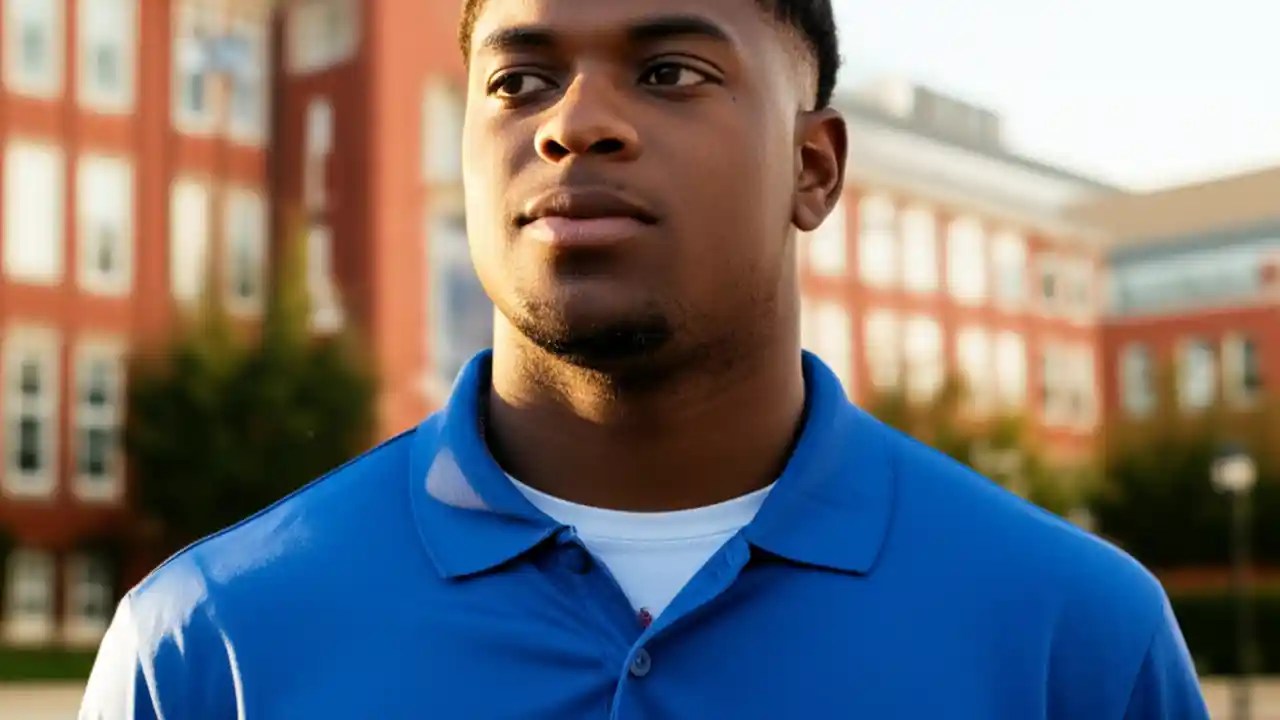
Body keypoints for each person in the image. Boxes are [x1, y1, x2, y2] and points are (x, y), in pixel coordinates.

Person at [80, 0, 1209, 717]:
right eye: (517, 82)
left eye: (668, 70)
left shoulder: (1072, 633)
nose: (572, 123)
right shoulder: (207, 642)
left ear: (812, 169)